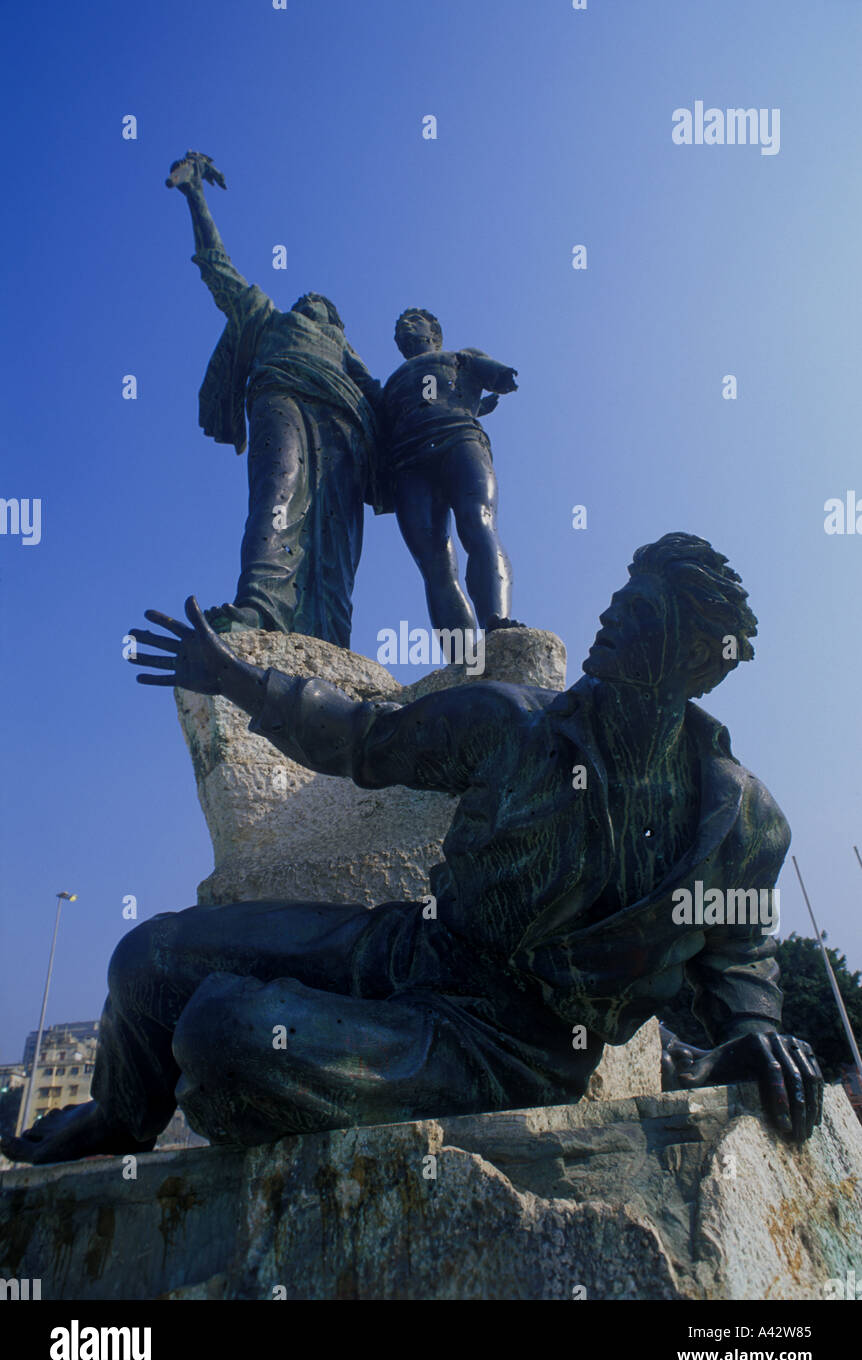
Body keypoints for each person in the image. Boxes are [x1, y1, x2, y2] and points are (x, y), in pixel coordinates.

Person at [2, 534, 823, 1164]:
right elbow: (366, 738)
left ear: (692, 659)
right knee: (146, 957)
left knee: (221, 1038)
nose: (611, 613)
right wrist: (239, 680)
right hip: (416, 947)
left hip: (509, 1047)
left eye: (639, 611)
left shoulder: (741, 820)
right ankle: (115, 1120)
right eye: (620, 594)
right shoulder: (516, 724)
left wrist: (756, 1031)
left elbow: (739, 959)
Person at [168, 151, 382, 644]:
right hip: (280, 397)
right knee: (278, 493)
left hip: (344, 422)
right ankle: (259, 606)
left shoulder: (347, 355)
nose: (313, 302)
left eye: (324, 305)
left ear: (337, 325)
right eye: (307, 300)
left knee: (338, 536)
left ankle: (330, 636)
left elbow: (382, 400)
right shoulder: (267, 317)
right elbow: (220, 273)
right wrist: (195, 196)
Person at [380, 308, 520, 638]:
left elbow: (494, 375)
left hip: (459, 440)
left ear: (434, 330)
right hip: (408, 462)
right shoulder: (389, 386)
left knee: (477, 521)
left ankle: (496, 623)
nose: (404, 328)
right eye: (400, 326)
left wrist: (496, 380)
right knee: (434, 561)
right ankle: (461, 656)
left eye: (413, 322)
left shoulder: (461, 356)